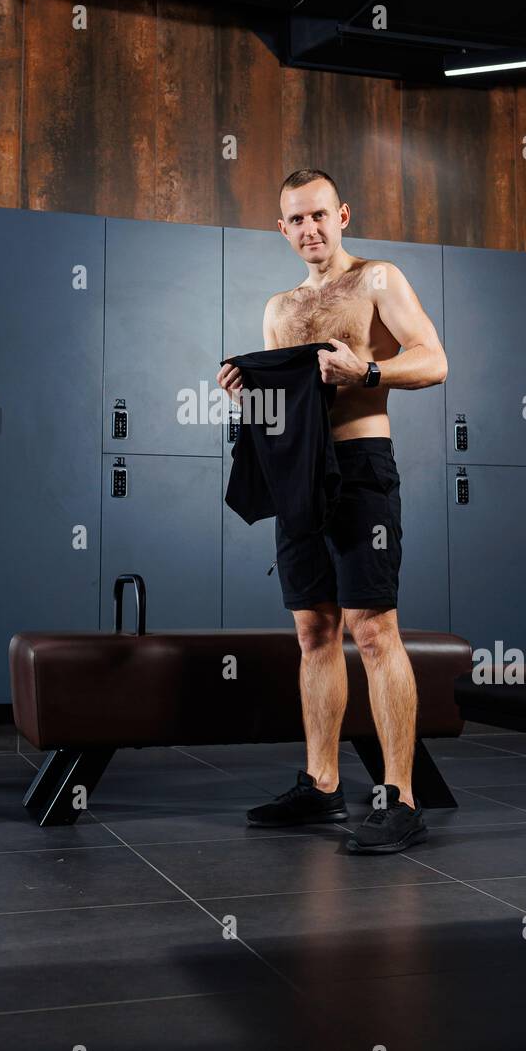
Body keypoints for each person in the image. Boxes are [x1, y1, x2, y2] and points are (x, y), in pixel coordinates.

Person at [217, 169, 448, 853]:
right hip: (299, 475)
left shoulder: (379, 280)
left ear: (342, 214)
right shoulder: (278, 308)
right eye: (296, 220)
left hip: (360, 470)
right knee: (313, 630)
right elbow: (279, 411)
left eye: (320, 214)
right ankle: (321, 784)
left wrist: (368, 372)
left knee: (373, 631)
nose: (310, 229)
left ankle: (401, 799)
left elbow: (434, 360)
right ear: (281, 228)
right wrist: (244, 397)